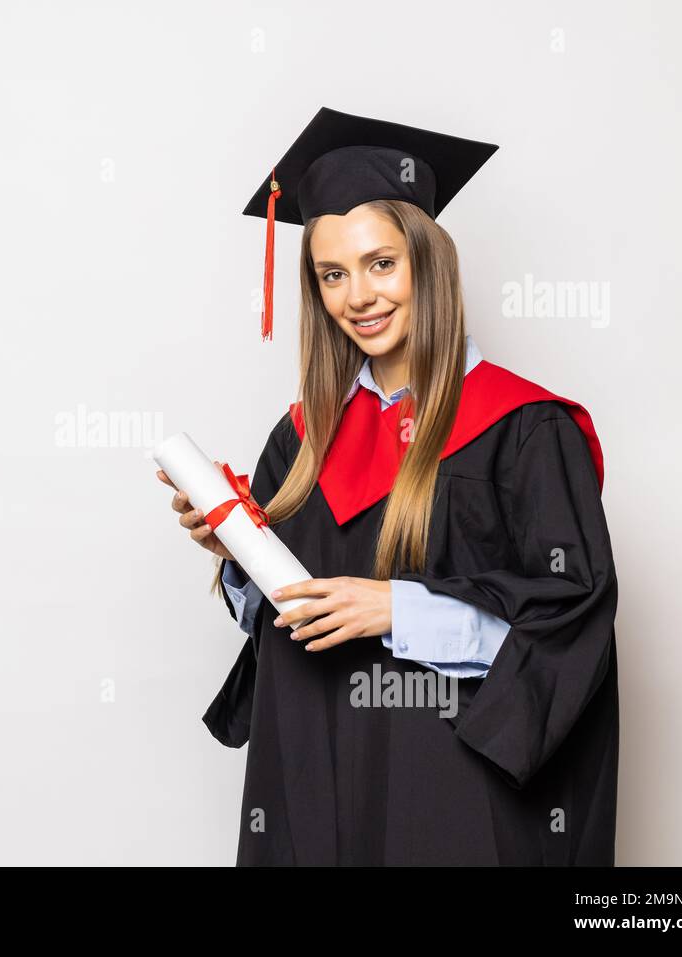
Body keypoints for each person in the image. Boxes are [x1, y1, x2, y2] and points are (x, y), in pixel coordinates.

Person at [155, 107, 618, 865]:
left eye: (381, 263)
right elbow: (284, 619)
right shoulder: (302, 436)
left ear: (428, 261)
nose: (358, 297)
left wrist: (397, 607)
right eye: (332, 274)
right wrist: (234, 548)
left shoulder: (525, 429)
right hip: (314, 771)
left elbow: (574, 633)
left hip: (453, 790)